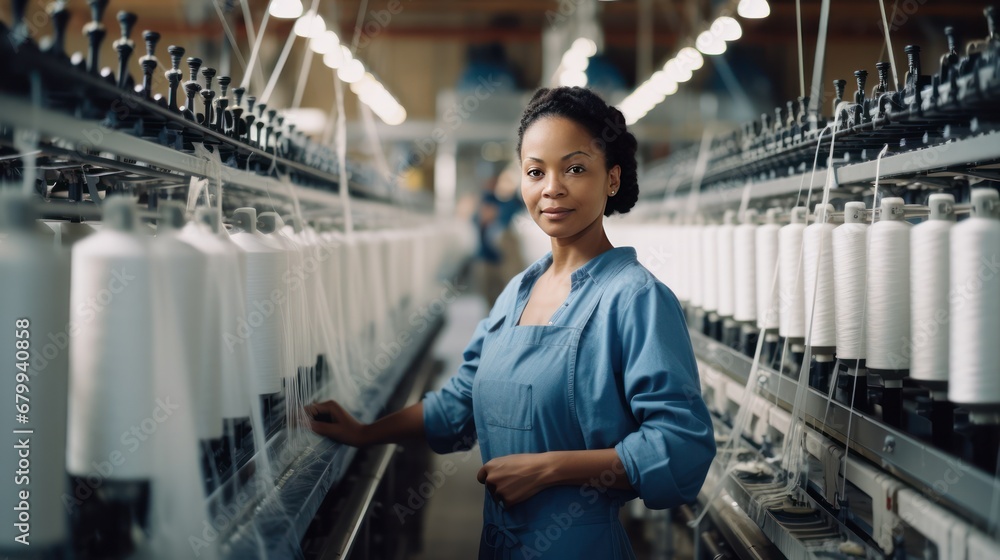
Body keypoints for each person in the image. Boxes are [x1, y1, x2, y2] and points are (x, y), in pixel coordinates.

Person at [307, 86, 716, 559]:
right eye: (535, 171)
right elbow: (459, 403)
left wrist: (550, 469)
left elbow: (681, 446)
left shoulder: (635, 298)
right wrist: (364, 432)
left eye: (575, 168)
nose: (552, 188)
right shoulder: (517, 292)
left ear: (611, 179)